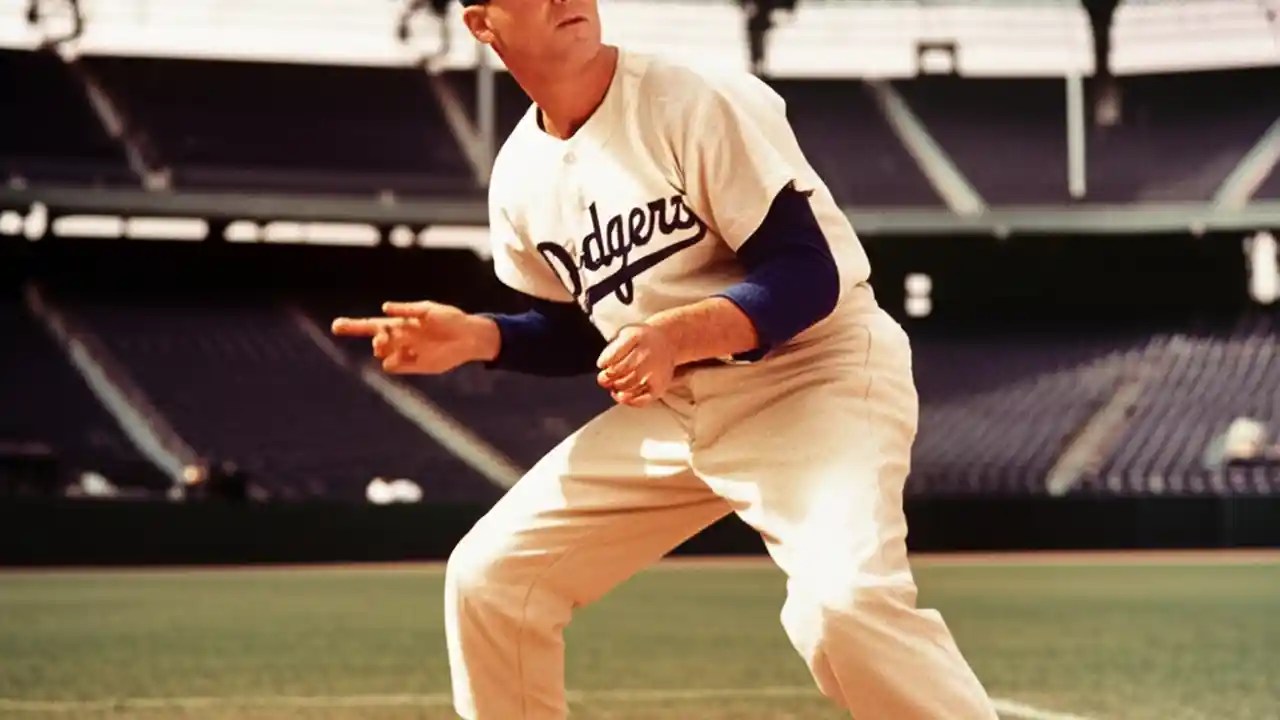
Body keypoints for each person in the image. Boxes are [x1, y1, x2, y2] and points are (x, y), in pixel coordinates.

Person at [331, 0, 998, 717]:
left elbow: (806, 273)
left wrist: (674, 337)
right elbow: (584, 329)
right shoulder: (520, 180)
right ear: (482, 24)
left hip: (815, 376)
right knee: (491, 578)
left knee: (844, 608)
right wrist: (481, 337)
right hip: (679, 403)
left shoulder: (688, 97)